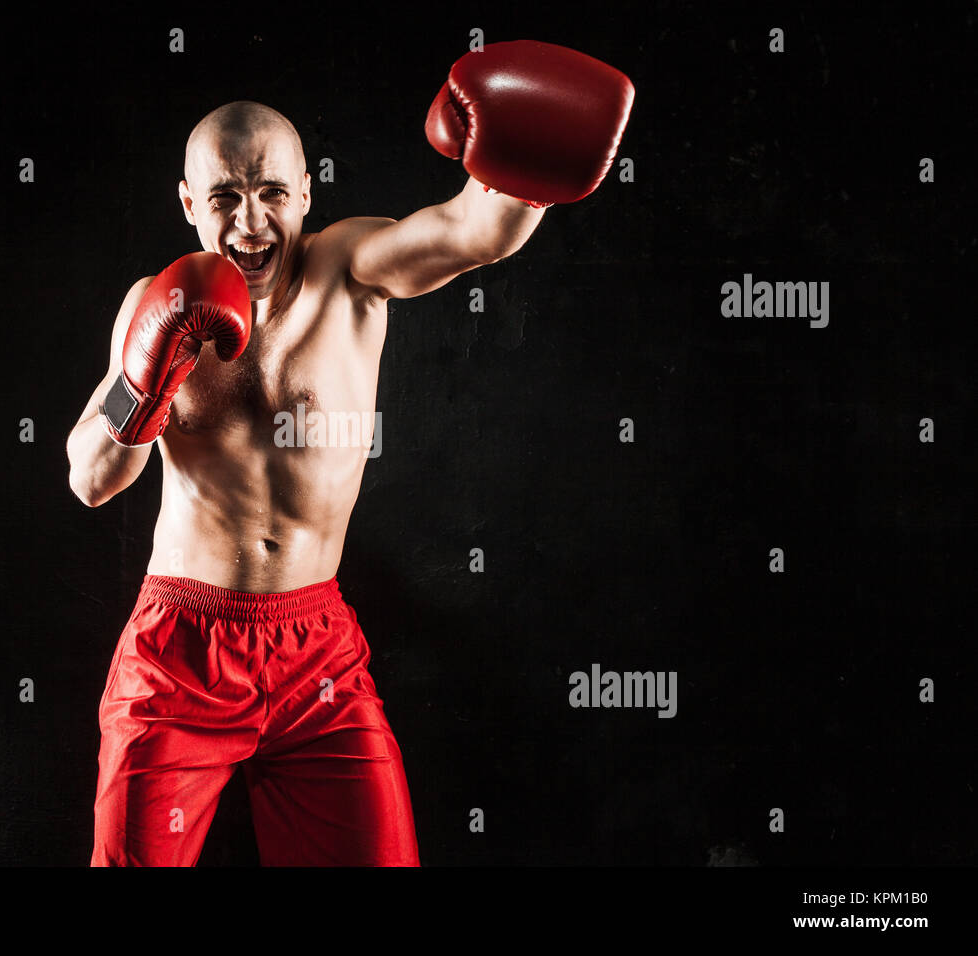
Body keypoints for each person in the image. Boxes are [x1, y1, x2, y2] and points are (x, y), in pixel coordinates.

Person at [67, 40, 634, 866]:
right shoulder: (149, 305)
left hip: (315, 658)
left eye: (270, 193)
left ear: (306, 191)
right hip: (178, 654)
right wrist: (143, 386)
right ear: (188, 203)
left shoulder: (352, 270)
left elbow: (473, 231)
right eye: (225, 196)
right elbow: (90, 480)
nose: (251, 222)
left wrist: (524, 158)